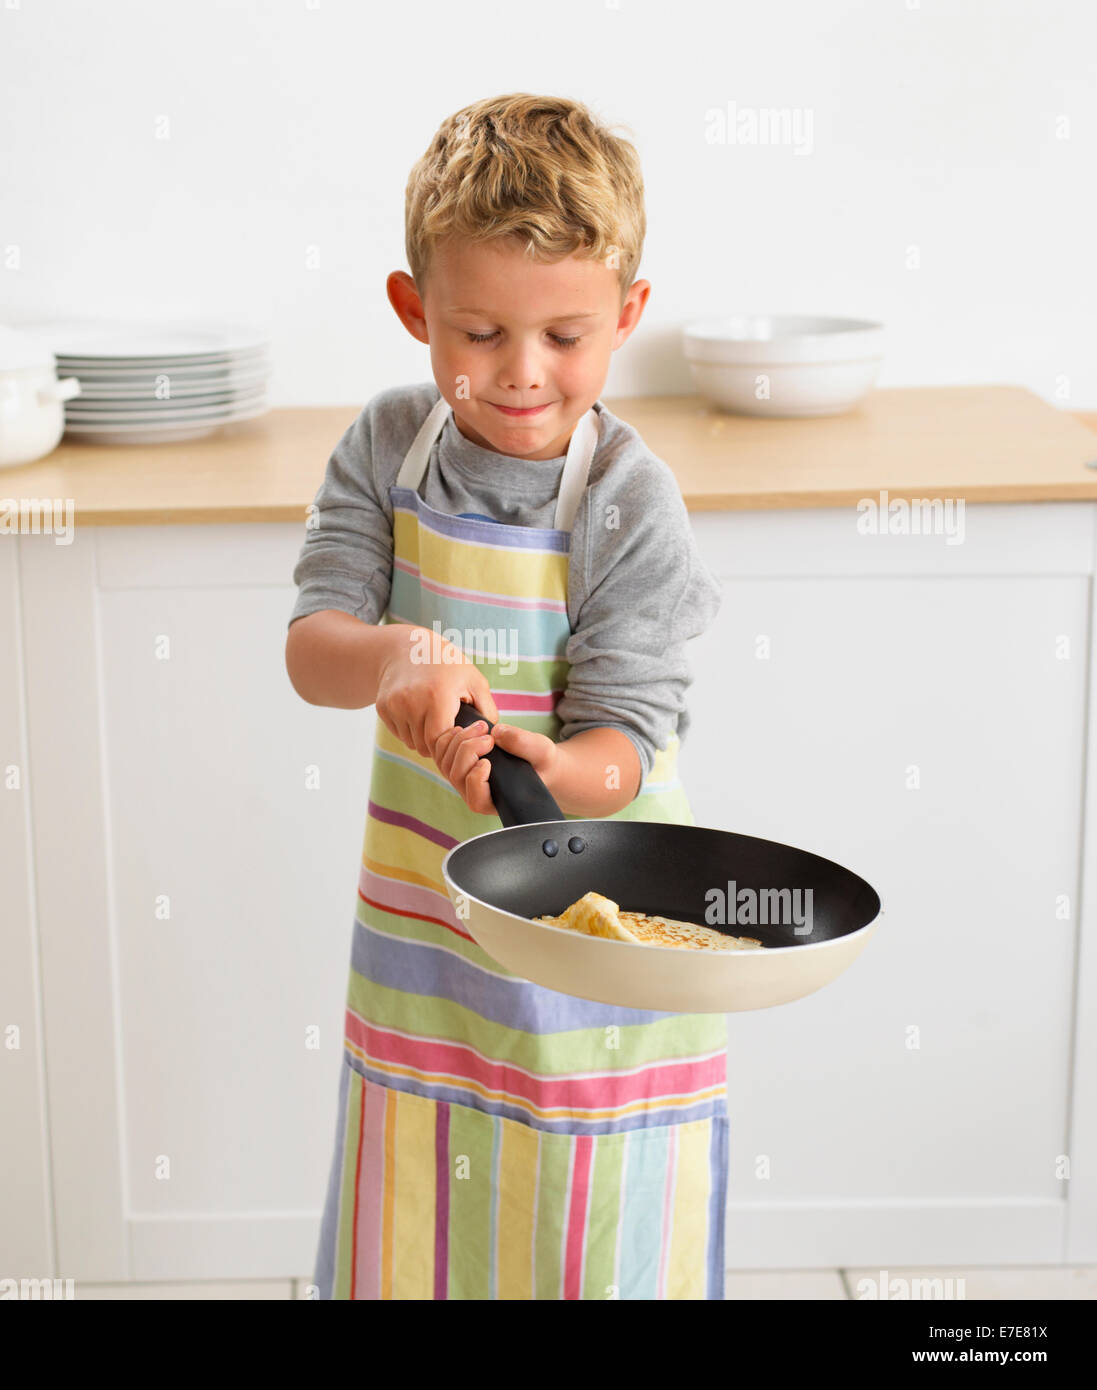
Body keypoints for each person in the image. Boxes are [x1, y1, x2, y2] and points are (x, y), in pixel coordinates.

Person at [284, 92, 725, 1300]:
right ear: (413, 308)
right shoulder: (385, 448)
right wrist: (391, 660)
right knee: (422, 1218)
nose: (521, 374)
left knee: (589, 1235)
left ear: (627, 316)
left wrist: (550, 774)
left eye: (564, 336)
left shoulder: (629, 499)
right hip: (428, 936)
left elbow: (626, 743)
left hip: (601, 942)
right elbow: (312, 645)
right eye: (476, 333)